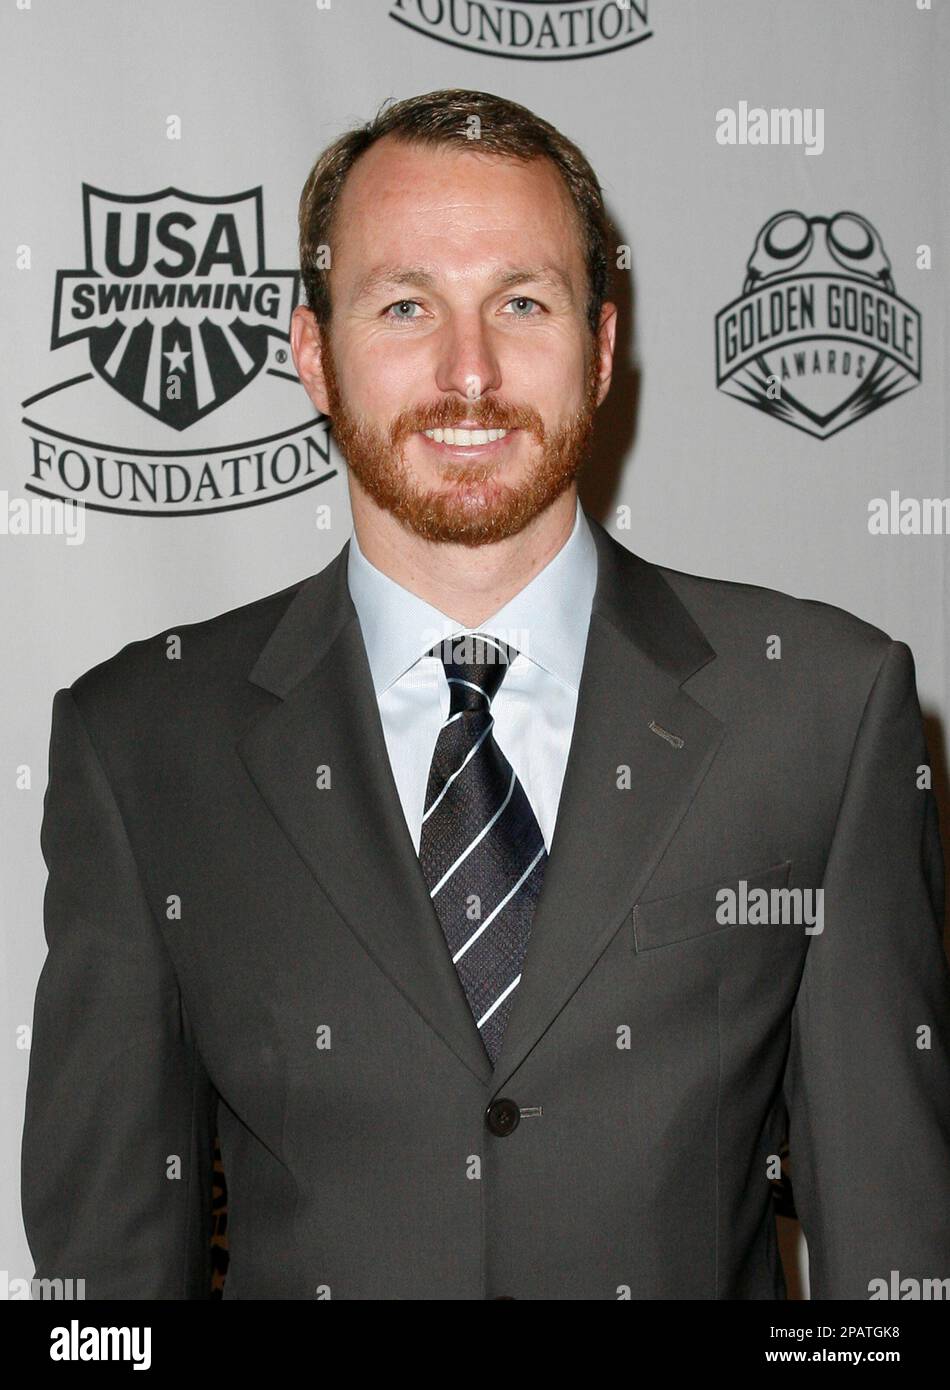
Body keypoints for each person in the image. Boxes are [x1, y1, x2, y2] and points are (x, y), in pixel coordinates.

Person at [22, 88, 950, 1300]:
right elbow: (104, 1296)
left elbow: (894, 1263)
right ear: (311, 353)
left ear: (601, 347)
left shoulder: (822, 709)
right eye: (404, 305)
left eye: (521, 302)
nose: (469, 371)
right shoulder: (141, 741)